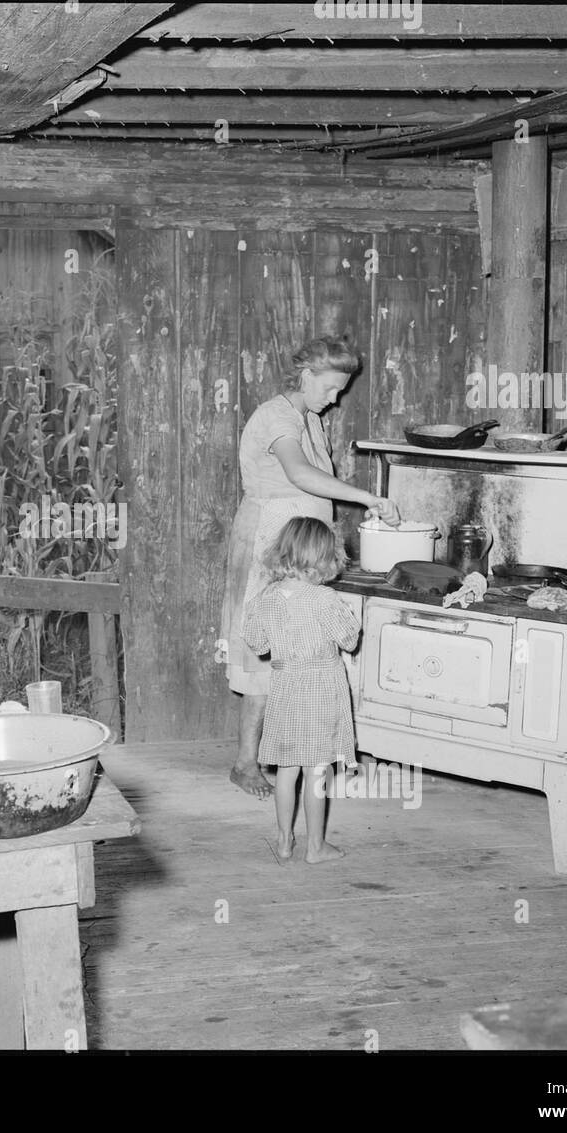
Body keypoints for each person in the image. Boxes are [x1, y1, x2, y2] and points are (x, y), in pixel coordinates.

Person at [220, 335, 399, 798]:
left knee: (300, 654)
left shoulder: (310, 419)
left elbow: (313, 483)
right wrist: (366, 498)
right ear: (306, 375)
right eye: (331, 388)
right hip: (271, 545)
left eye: (340, 390)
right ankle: (245, 764)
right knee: (262, 653)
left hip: (302, 551)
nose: (335, 398)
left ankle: (304, 752)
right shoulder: (276, 416)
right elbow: (299, 475)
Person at [242, 516, 360, 863]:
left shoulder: (267, 597)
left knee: (287, 770)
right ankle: (316, 847)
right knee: (317, 771)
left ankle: (283, 840)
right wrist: (350, 617)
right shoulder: (325, 598)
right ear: (325, 558)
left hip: (284, 689)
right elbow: (350, 642)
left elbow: (257, 644)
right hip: (320, 690)